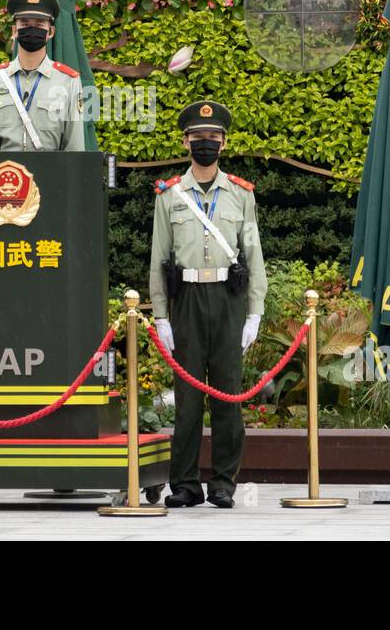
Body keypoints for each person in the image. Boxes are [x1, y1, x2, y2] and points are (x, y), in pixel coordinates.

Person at [148, 100, 267, 508]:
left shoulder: (240, 194)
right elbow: (158, 258)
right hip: (186, 302)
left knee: (227, 396)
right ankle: (183, 484)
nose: (205, 144)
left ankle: (222, 483)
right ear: (186, 142)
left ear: (223, 143)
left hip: (228, 299)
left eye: (212, 138)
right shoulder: (169, 196)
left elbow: (253, 255)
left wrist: (255, 311)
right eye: (198, 138)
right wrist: (161, 316)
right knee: (187, 399)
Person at [0, 0, 84, 152]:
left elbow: (74, 148)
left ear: (51, 32)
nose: (32, 29)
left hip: (49, 174)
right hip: (3, 175)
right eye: (25, 23)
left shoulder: (68, 81)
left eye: (39, 24)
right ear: (14, 30)